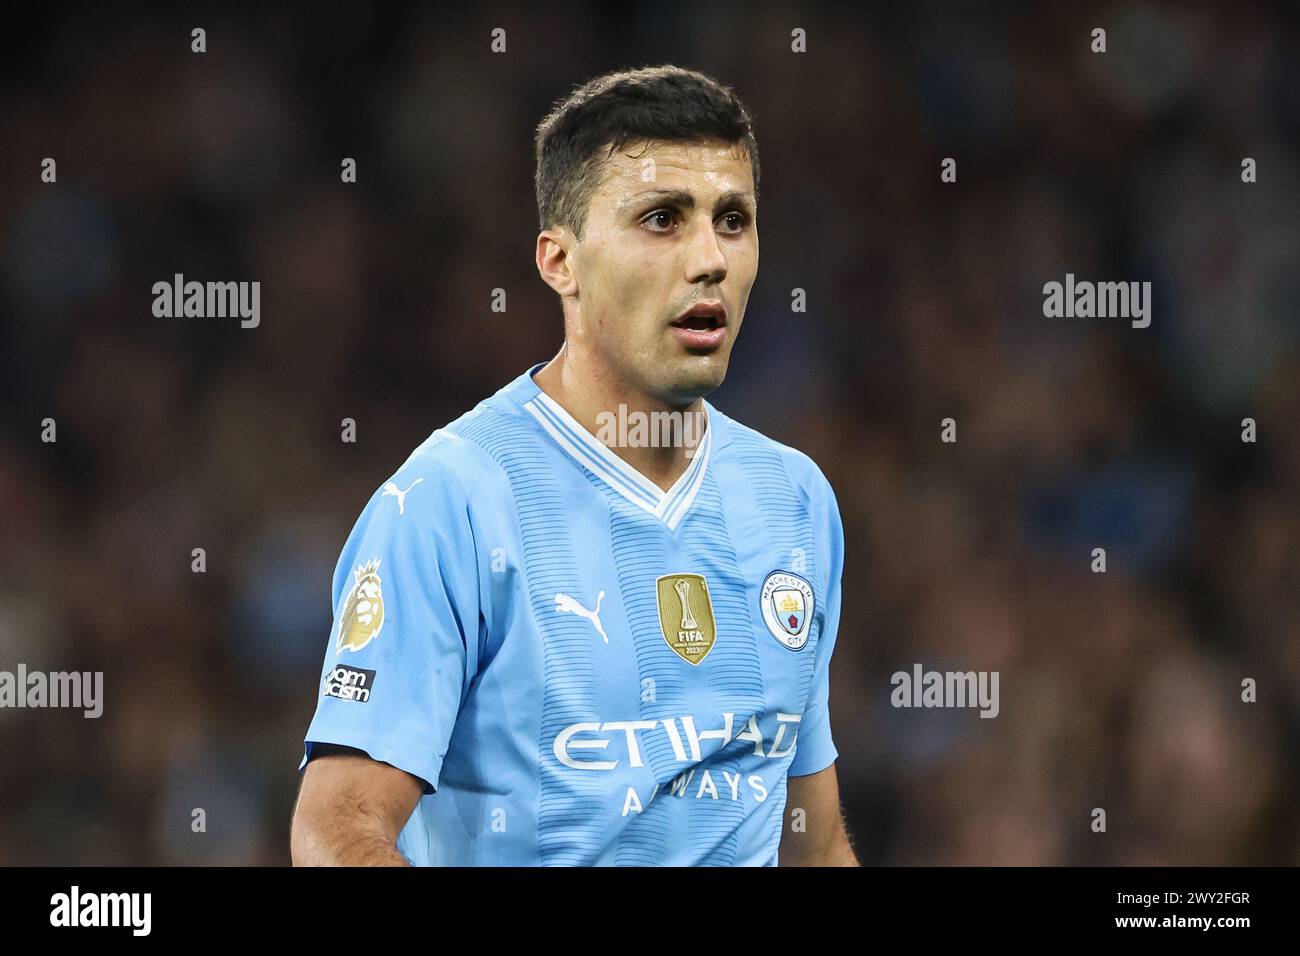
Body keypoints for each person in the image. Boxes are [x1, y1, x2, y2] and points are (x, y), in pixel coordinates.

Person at [291, 64, 857, 866]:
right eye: (663, 219)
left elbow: (815, 842)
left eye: (733, 220)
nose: (710, 259)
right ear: (560, 262)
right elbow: (338, 828)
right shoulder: (449, 504)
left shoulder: (794, 499)